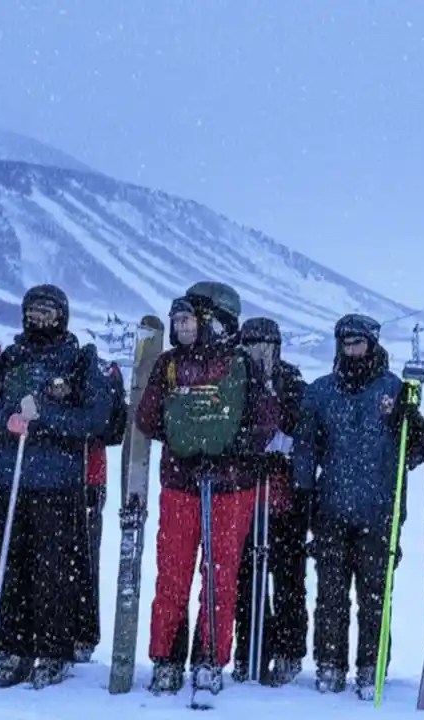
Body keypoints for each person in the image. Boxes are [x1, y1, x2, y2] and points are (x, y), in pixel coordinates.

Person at [137, 282, 282, 696]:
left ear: (214, 321)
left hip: (231, 488)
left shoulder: (241, 364)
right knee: (173, 575)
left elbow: (265, 419)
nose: (183, 328)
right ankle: (166, 658)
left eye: (192, 319)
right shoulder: (169, 365)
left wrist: (232, 446)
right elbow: (147, 418)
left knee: (220, 577)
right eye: (179, 320)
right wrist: (185, 440)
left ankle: (210, 659)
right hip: (181, 484)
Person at [0, 284, 113, 689]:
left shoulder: (77, 358)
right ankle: (13, 648)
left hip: (55, 480)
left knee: (54, 568)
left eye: (47, 313)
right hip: (7, 476)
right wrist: (8, 419)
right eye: (33, 312)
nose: (39, 320)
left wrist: (47, 416)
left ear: (62, 317)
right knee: (9, 565)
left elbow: (95, 418)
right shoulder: (12, 356)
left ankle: (55, 648)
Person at [293, 313, 424, 699]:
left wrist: (412, 425)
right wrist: (304, 491)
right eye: (346, 343)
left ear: (372, 344)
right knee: (331, 595)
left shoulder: (395, 389)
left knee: (375, 595)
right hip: (332, 508)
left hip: (379, 510)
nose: (352, 350)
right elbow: (306, 446)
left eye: (359, 343)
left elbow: (413, 453)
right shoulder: (321, 392)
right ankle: (330, 664)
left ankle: (371, 665)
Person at [230, 317, 308, 686]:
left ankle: (290, 650)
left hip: (285, 496)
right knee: (247, 576)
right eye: (250, 344)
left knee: (288, 576)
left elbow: (303, 427)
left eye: (264, 344)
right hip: (246, 492)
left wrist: (284, 442)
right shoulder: (234, 378)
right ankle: (250, 651)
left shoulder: (290, 381)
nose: (257, 351)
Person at [75, 357, 127, 664]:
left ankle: (80, 632)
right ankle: (79, 632)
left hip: (84, 477)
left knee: (80, 559)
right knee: (81, 559)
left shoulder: (87, 379)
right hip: (82, 476)